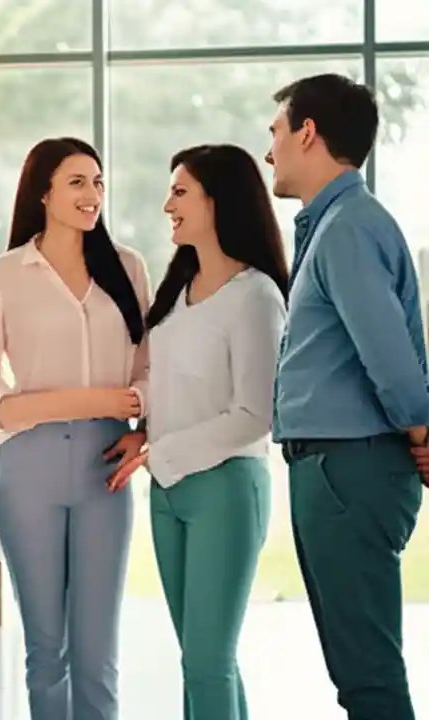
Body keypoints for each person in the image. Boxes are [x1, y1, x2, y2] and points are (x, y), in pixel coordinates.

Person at [0, 136, 150, 720]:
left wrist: (139, 419)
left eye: (98, 183)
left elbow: (148, 368)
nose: (92, 194)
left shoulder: (128, 267)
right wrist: (9, 409)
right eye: (77, 182)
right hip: (28, 469)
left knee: (98, 653)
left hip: (106, 468)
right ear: (43, 191)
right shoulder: (4, 275)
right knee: (47, 650)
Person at [267, 72, 428, 720]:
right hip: (333, 467)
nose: (270, 148)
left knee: (366, 675)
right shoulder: (335, 225)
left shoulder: (347, 230)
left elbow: (388, 355)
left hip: (348, 469)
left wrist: (420, 432)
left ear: (308, 132)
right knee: (357, 672)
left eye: (275, 132)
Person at [109, 144, 289, 719]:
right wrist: (144, 433)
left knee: (209, 661)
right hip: (168, 490)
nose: (167, 205)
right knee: (199, 660)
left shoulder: (257, 295)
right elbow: (168, 379)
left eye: (181, 192)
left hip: (226, 490)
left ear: (220, 201)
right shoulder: (179, 291)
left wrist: (162, 449)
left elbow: (255, 414)